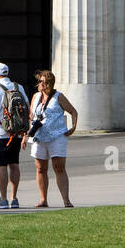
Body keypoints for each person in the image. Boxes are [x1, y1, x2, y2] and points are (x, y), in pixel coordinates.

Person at [23, 70, 77, 207]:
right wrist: (25, 135)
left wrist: (73, 127)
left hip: (57, 136)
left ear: (48, 83)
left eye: (41, 81)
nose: (39, 83)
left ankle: (66, 200)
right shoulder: (35, 96)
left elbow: (73, 111)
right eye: (39, 81)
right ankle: (43, 200)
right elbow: (31, 117)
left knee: (59, 167)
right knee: (40, 168)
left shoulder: (59, 97)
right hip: (39, 137)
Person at [0, 61, 30, 210]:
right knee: (14, 164)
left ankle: (3, 198)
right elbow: (27, 108)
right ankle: (14, 198)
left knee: (1, 165)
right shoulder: (18, 87)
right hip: (16, 132)